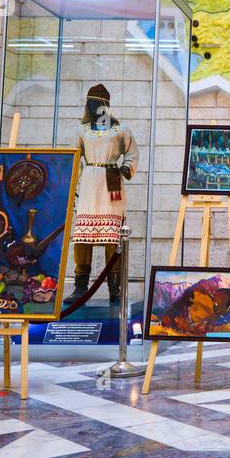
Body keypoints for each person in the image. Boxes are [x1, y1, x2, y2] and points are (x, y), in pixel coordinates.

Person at [65, 84, 139, 305]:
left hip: (111, 178)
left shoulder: (120, 129)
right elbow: (74, 159)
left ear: (106, 105)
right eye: (92, 104)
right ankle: (80, 287)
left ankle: (114, 289)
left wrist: (125, 168)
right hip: (89, 182)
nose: (95, 107)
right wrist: (70, 186)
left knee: (111, 236)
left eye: (99, 104)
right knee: (83, 236)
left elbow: (132, 152)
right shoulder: (81, 130)